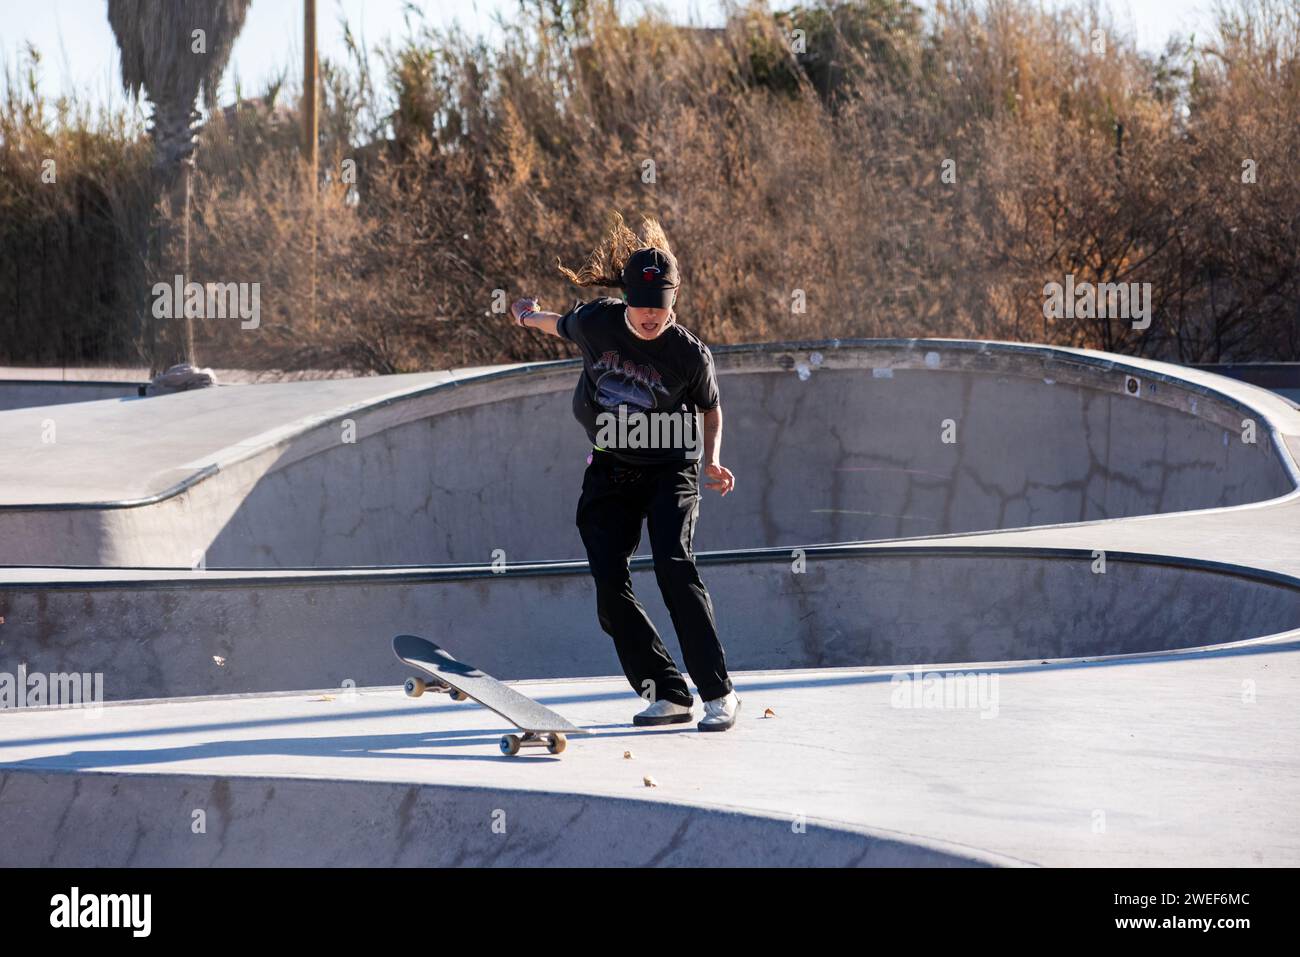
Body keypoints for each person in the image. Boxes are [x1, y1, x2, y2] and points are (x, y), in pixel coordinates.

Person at [511, 214, 741, 731]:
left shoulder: (688, 353)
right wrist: (527, 316)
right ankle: (666, 691)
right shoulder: (597, 321)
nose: (647, 324)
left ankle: (718, 692)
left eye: (657, 317)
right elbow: (557, 323)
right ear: (626, 303)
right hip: (612, 466)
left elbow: (712, 409)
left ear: (672, 306)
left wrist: (712, 458)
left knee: (672, 565)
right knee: (609, 580)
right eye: (639, 316)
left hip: (670, 469)